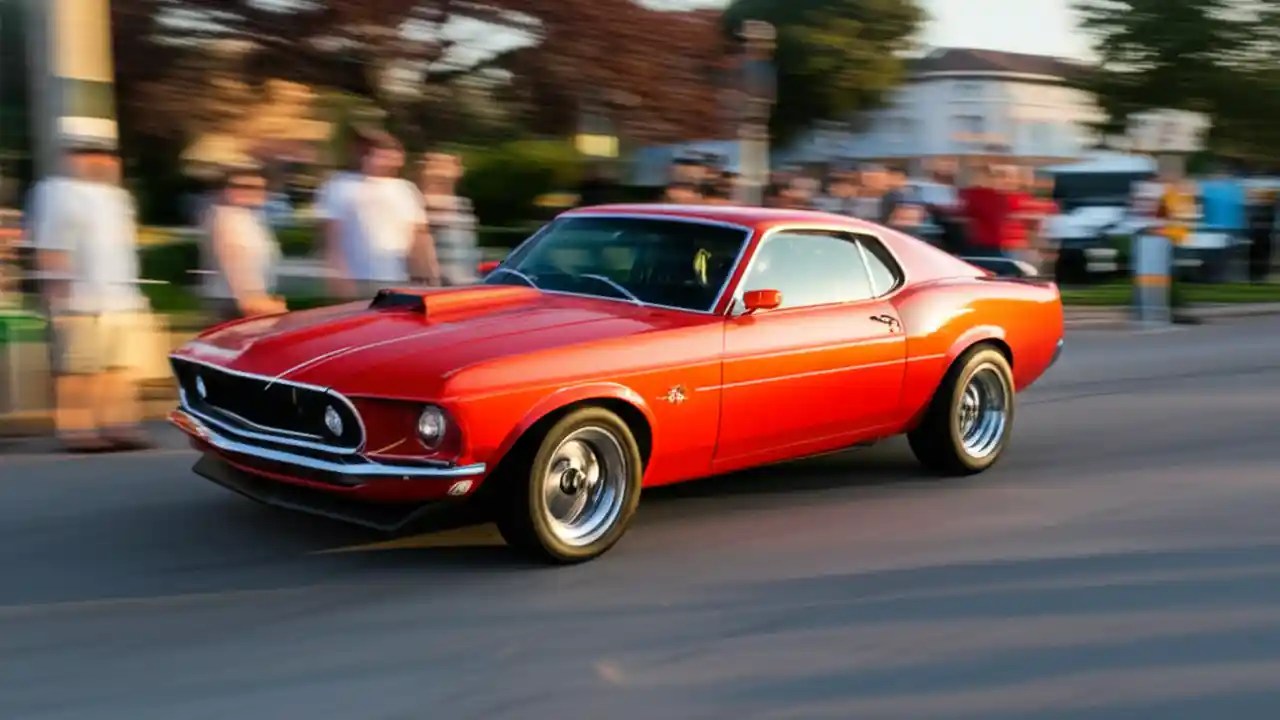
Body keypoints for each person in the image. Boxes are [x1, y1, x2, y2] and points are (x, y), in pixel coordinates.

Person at [29, 133, 152, 452]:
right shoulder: (56, 193)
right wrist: (58, 298)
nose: (101, 159)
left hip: (122, 297)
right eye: (89, 153)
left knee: (118, 368)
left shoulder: (118, 198)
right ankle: (76, 429)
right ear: (72, 158)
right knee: (78, 370)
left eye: (106, 154)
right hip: (81, 300)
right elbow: (52, 247)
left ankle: (118, 424)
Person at [317, 131, 438, 299]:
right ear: (365, 156)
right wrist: (338, 272)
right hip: (357, 277)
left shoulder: (405, 189)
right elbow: (332, 236)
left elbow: (419, 234)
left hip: (398, 277)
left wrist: (427, 272)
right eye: (381, 154)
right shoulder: (340, 186)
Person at [199, 163, 285, 322]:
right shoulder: (226, 218)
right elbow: (233, 260)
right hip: (236, 303)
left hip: (251, 299)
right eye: (241, 186)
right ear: (225, 189)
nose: (250, 192)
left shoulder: (249, 217)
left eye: (258, 187)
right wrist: (256, 301)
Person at [420, 152, 480, 286]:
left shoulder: (462, 204)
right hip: (435, 284)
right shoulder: (420, 203)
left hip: (465, 279)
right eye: (437, 165)